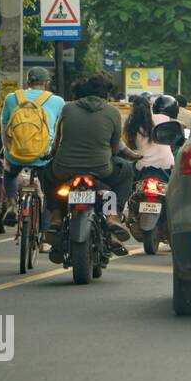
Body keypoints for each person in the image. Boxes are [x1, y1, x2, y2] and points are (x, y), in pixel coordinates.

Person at [41, 75, 139, 260]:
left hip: (64, 168)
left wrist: (52, 155)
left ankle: (55, 215)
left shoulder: (67, 109)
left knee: (46, 171)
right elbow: (114, 146)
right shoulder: (112, 112)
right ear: (106, 95)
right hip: (101, 169)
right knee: (125, 169)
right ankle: (113, 215)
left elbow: (56, 143)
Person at [0, 66, 65, 225]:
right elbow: (61, 131)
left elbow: (4, 128)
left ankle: (12, 203)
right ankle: (46, 232)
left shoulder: (11, 98)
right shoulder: (57, 101)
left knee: (9, 174)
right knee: (50, 191)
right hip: (43, 155)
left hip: (16, 153)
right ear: (47, 83)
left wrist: (7, 149)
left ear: (28, 81)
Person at [124, 94, 176, 180]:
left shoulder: (130, 125)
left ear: (133, 109)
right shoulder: (163, 118)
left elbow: (131, 148)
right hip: (167, 166)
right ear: (149, 108)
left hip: (142, 169)